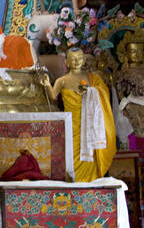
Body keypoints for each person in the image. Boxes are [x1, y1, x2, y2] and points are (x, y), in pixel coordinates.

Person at [38, 47, 116, 181]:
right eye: (72, 59)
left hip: (89, 123)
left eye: (79, 58)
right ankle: (74, 181)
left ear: (84, 60)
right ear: (67, 62)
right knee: (71, 153)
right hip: (71, 124)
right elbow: (53, 96)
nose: (76, 62)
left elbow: (103, 93)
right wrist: (46, 84)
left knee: (90, 152)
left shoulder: (92, 78)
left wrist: (91, 91)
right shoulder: (62, 80)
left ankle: (90, 180)